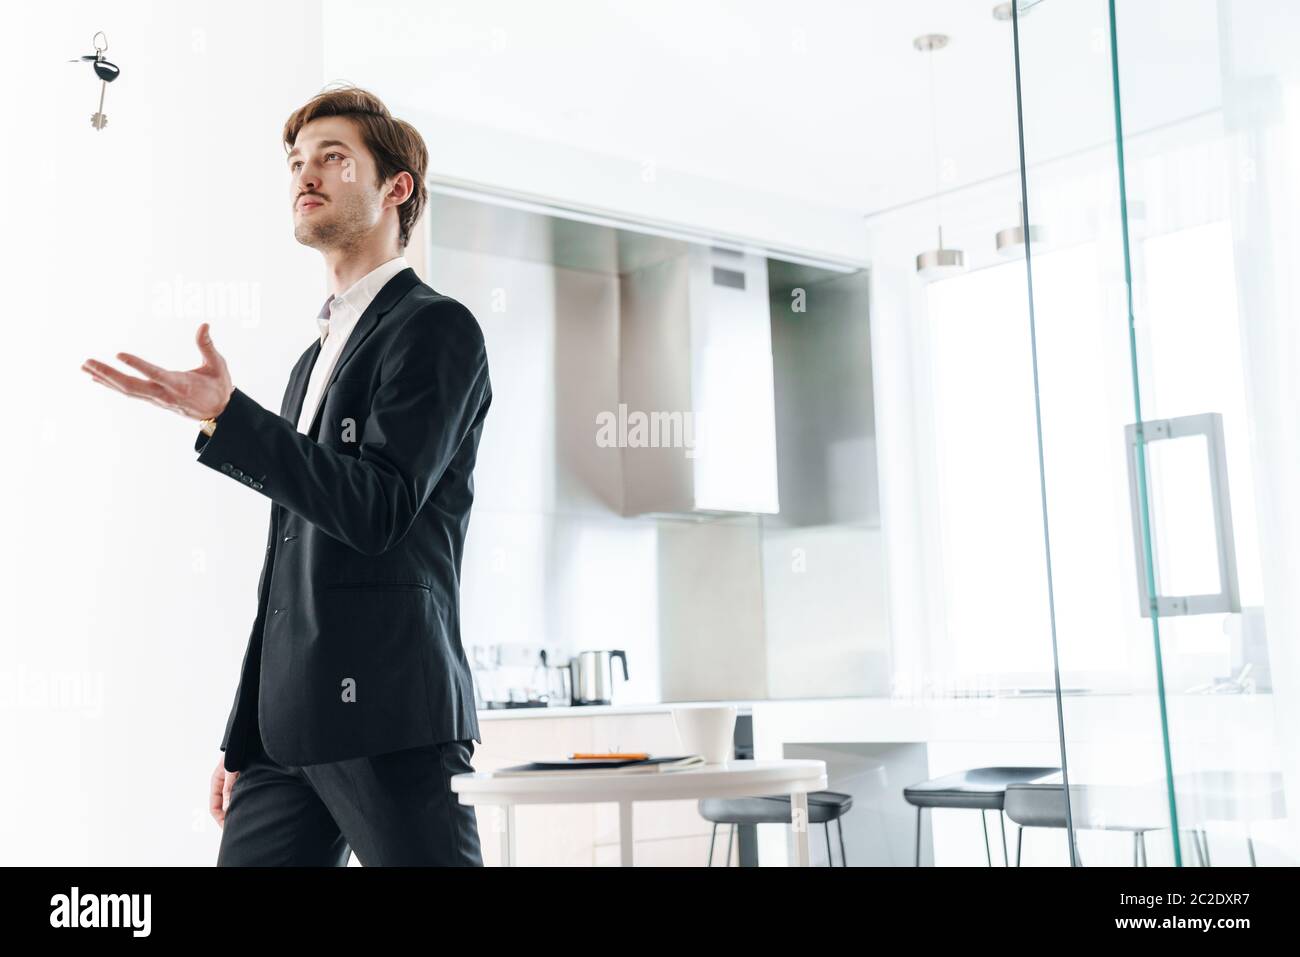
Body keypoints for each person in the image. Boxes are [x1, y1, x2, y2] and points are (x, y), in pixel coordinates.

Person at [79, 85, 490, 866]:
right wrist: (243, 736)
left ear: (395, 189)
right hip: (284, 734)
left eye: (335, 158)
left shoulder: (437, 329)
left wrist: (233, 417)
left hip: (392, 718)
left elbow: (377, 508)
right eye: (298, 162)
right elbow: (285, 568)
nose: (307, 174)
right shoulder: (311, 361)